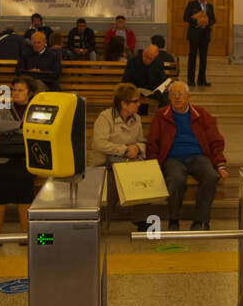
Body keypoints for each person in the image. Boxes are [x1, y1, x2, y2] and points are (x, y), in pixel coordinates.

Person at [146, 81, 228, 230]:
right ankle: (173, 220)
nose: (177, 98)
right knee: (175, 179)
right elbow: (153, 143)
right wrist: (153, 167)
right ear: (169, 97)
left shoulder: (201, 114)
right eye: (173, 94)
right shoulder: (160, 116)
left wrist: (220, 164)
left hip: (198, 157)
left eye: (181, 94)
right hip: (172, 159)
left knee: (211, 176)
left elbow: (215, 140)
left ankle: (200, 221)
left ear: (188, 96)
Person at [90, 83, 153, 231]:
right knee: (113, 180)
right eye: (135, 101)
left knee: (144, 176)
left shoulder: (136, 118)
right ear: (124, 104)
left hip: (128, 162)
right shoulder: (105, 117)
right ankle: (102, 221)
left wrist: (137, 148)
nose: (139, 104)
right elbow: (99, 144)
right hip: (104, 162)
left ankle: (141, 220)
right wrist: (124, 150)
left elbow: (141, 140)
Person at [0, 74, 37, 235]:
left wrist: (12, 128)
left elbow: (37, 129)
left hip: (26, 158)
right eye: (14, 90)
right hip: (2, 158)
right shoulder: (2, 107)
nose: (16, 93)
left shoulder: (36, 109)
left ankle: (25, 232)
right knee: (0, 181)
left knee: (25, 181)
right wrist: (22, 125)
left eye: (20, 90)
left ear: (30, 93)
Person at [183, 0, 215, 88]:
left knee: (203, 59)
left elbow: (214, 19)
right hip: (194, 35)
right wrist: (197, 21)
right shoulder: (191, 4)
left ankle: (202, 80)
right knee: (192, 58)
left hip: (205, 35)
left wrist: (207, 23)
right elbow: (185, 17)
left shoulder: (210, 6)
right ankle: (190, 81)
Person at [122, 43, 170, 108]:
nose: (148, 60)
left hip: (152, 90)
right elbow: (126, 80)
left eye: (151, 59)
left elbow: (162, 78)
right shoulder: (132, 61)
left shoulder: (158, 62)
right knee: (127, 93)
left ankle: (161, 116)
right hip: (136, 90)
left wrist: (165, 86)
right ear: (143, 53)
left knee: (166, 95)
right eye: (146, 57)